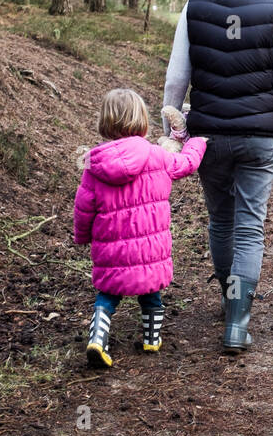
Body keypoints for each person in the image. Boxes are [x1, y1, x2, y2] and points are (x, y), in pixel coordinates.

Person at [162, 0, 273, 353]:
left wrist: (170, 128)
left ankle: (229, 300)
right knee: (249, 226)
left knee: (221, 220)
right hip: (259, 138)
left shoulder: (194, 5)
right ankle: (237, 324)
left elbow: (176, 79)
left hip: (207, 135)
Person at [74, 88, 207, 367]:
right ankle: (151, 338)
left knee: (108, 295)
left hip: (111, 250)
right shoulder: (157, 156)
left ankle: (97, 339)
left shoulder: (94, 164)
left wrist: (83, 236)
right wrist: (196, 142)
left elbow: (84, 206)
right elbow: (187, 163)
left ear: (105, 122)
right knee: (151, 290)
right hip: (150, 249)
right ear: (143, 120)